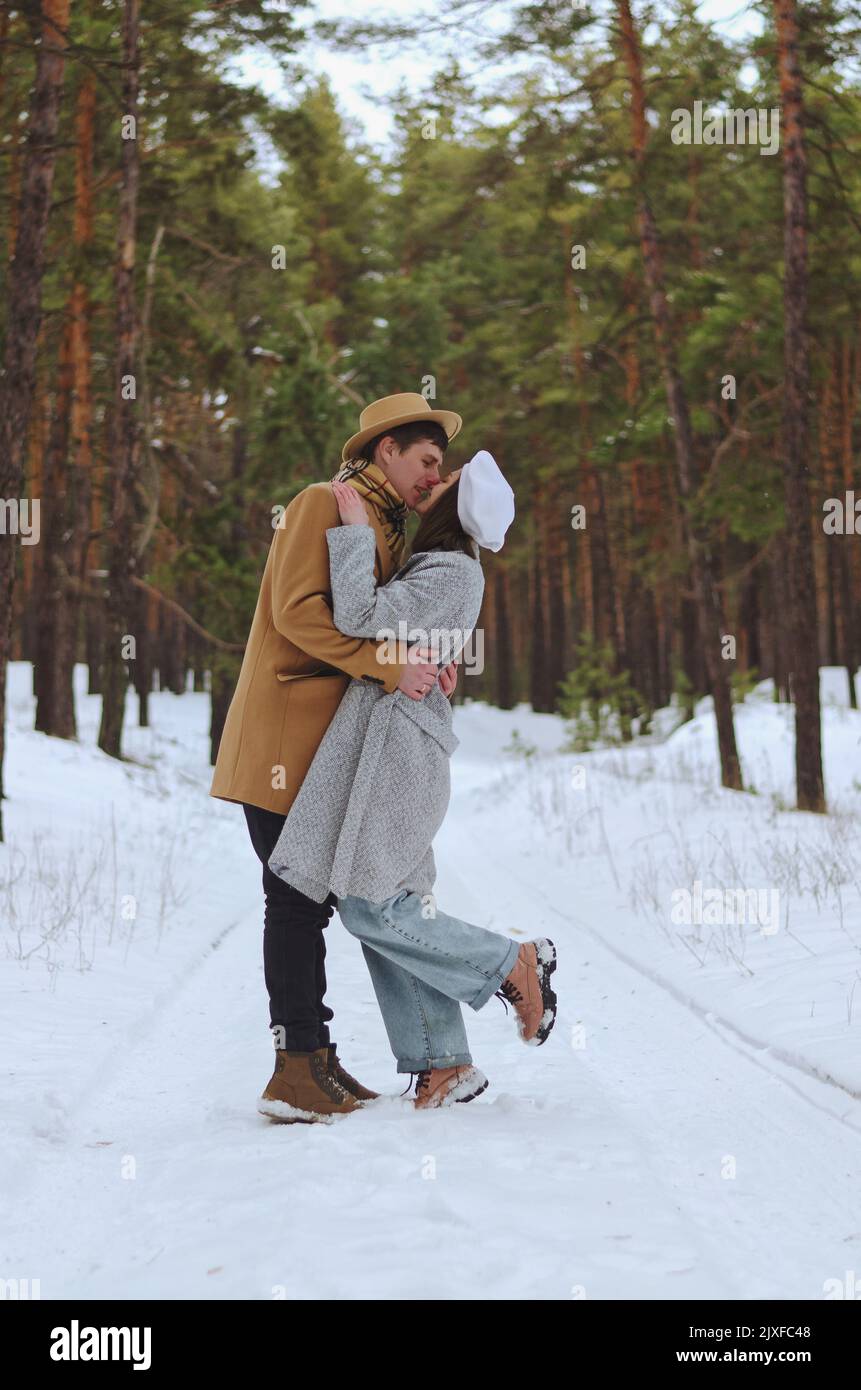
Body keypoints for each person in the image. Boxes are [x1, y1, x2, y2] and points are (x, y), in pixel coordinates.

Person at [263, 451, 557, 1121]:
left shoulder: (449, 569)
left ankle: (512, 961)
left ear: (456, 505)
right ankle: (441, 1063)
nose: (435, 478)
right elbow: (399, 634)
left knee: (372, 905)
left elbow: (359, 615)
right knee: (395, 905)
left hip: (397, 755)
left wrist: (351, 530)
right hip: (394, 744)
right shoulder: (444, 570)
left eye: (445, 478)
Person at [209, 393, 463, 1117]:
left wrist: (420, 657)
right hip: (284, 736)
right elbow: (296, 612)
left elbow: (375, 615)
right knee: (292, 902)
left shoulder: (380, 518)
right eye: (424, 461)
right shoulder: (323, 500)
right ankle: (294, 1066)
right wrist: (390, 667)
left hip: (318, 742)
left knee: (306, 903)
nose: (430, 477)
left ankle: (312, 1059)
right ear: (386, 448)